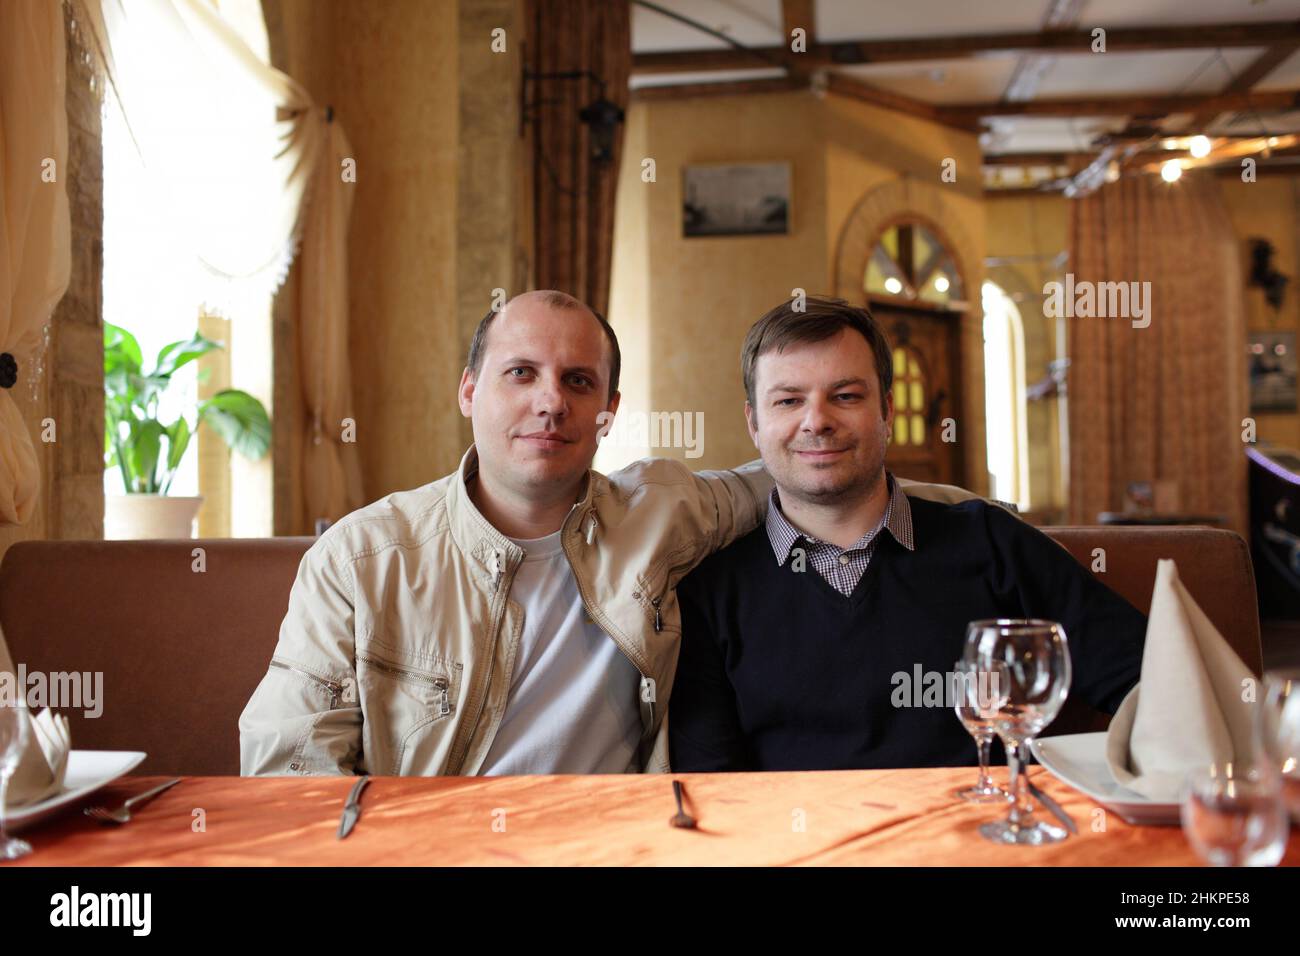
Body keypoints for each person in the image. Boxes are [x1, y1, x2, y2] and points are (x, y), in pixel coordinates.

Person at [240, 290, 984, 777]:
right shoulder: (362, 560)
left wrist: (974, 518)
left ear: (609, 409)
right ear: (469, 390)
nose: (549, 404)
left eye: (577, 382)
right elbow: (288, 768)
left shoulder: (660, 512)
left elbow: (806, 473)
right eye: (520, 374)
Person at [668, 296, 1146, 772]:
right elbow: (712, 792)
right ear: (754, 422)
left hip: (977, 839)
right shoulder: (709, 594)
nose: (817, 421)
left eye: (846, 396)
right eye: (789, 400)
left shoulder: (993, 543)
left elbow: (1151, 680)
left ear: (888, 411)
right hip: (803, 845)